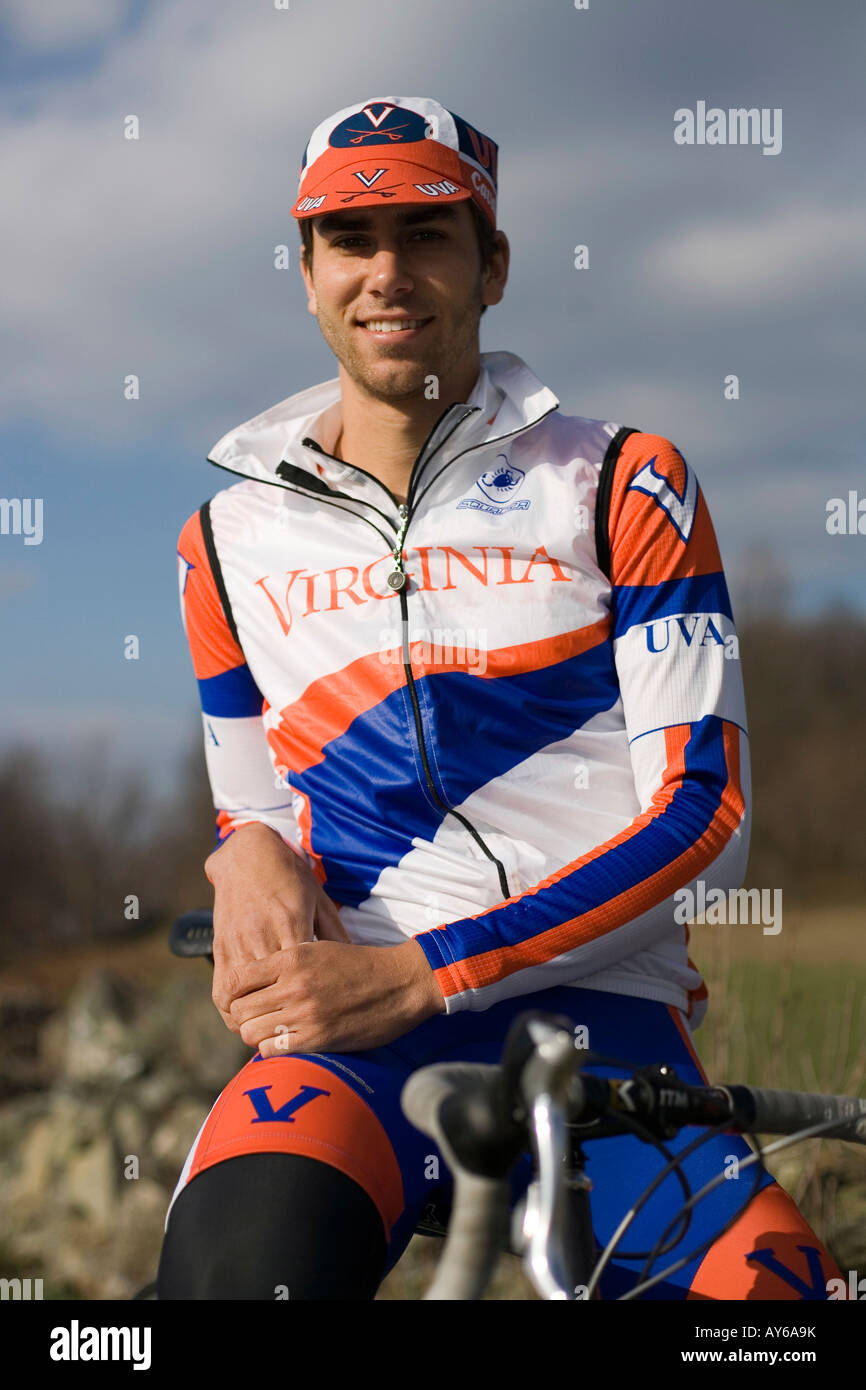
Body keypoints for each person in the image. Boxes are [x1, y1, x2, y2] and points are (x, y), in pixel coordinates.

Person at [159, 96, 842, 1300]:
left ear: (494, 263)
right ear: (306, 274)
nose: (388, 273)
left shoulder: (623, 481)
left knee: (774, 1315)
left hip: (601, 1035)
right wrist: (240, 859)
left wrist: (429, 974)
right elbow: (249, 803)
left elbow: (705, 819)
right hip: (349, 1048)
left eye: (427, 233)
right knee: (228, 1287)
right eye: (350, 238)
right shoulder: (219, 540)